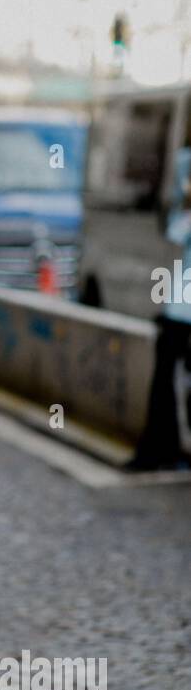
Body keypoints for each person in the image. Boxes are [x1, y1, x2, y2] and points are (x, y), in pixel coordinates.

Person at [130, 146, 191, 470]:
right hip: (181, 299)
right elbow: (174, 225)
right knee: (166, 373)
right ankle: (160, 449)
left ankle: (160, 450)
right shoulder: (185, 161)